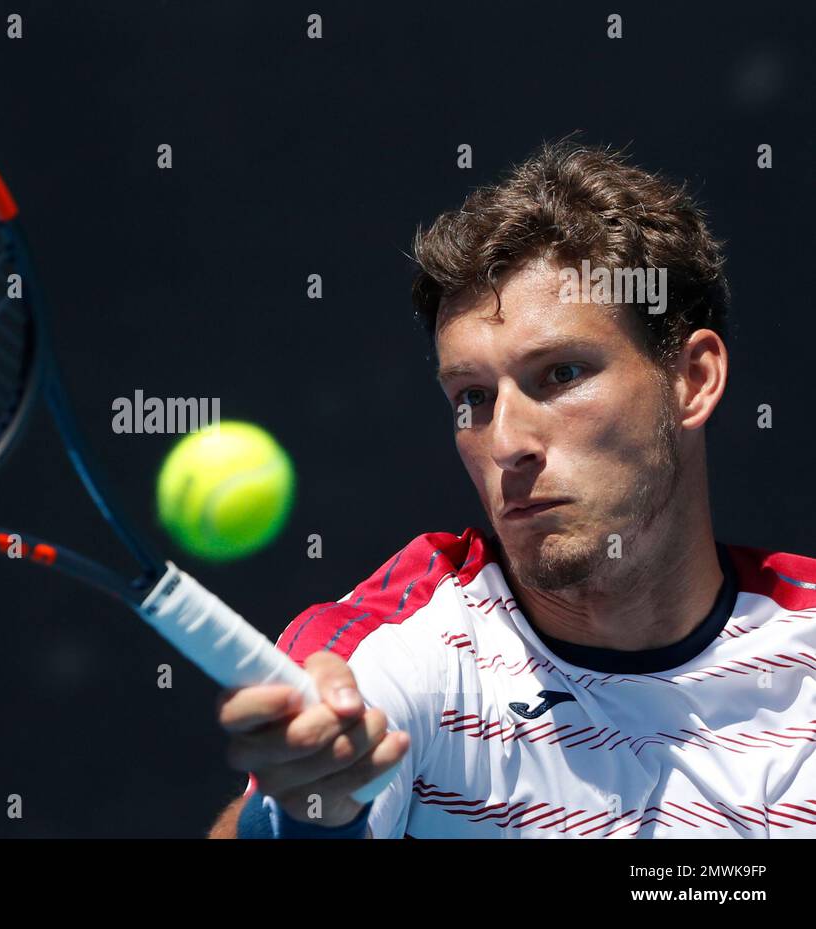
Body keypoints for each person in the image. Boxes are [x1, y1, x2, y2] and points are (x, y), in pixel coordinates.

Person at [210, 140, 816, 839]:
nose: (506, 442)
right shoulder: (402, 651)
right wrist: (308, 811)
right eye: (472, 396)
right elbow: (300, 796)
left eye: (560, 374)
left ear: (693, 379)